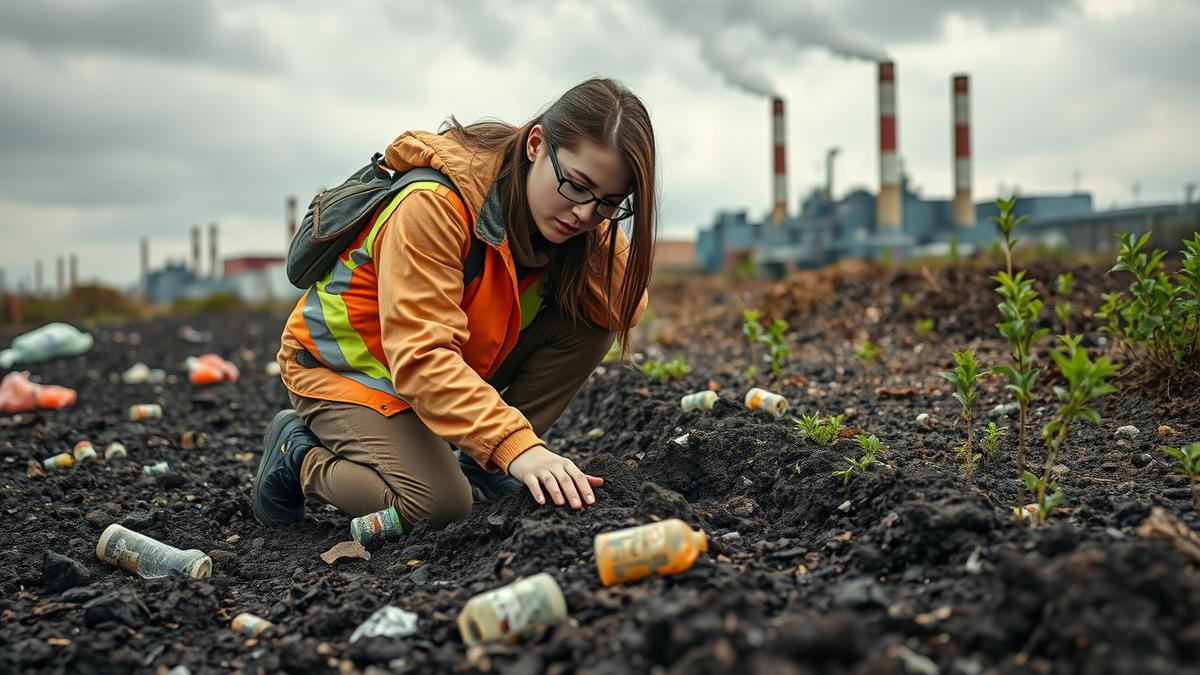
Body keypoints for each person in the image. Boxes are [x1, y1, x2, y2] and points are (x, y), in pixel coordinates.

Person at [252, 78, 657, 533]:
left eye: (608, 202)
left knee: (592, 320)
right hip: (348, 372)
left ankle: (481, 466)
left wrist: (601, 226)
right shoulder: (434, 206)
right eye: (577, 186)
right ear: (537, 144)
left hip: (441, 364)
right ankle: (298, 455)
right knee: (439, 507)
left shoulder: (571, 219)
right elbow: (421, 357)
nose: (584, 213)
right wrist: (518, 445)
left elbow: (621, 310)